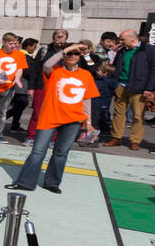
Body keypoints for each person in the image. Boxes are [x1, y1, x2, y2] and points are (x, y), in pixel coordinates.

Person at [6, 44, 98, 193]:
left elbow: (87, 99)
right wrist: (67, 49)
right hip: (50, 117)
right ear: (64, 55)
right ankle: (25, 182)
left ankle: (52, 183)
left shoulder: (86, 75)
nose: (72, 56)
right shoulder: (55, 71)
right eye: (69, 53)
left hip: (73, 119)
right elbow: (47, 64)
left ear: (80, 56)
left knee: (61, 153)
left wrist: (89, 122)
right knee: (38, 151)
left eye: (76, 53)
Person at [102, 29, 155, 151]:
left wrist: (150, 88)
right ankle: (116, 137)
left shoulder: (149, 50)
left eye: (122, 39)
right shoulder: (122, 50)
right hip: (121, 85)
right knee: (118, 113)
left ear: (132, 38)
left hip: (139, 87)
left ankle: (135, 140)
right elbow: (117, 66)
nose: (120, 41)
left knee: (138, 115)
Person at [24, 29, 70, 142]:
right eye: (57, 39)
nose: (59, 42)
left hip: (60, 88)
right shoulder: (44, 50)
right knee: (37, 112)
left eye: (62, 39)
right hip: (42, 86)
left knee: (55, 115)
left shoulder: (69, 51)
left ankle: (52, 139)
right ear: (53, 38)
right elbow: (35, 69)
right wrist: (31, 87)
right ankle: (31, 136)